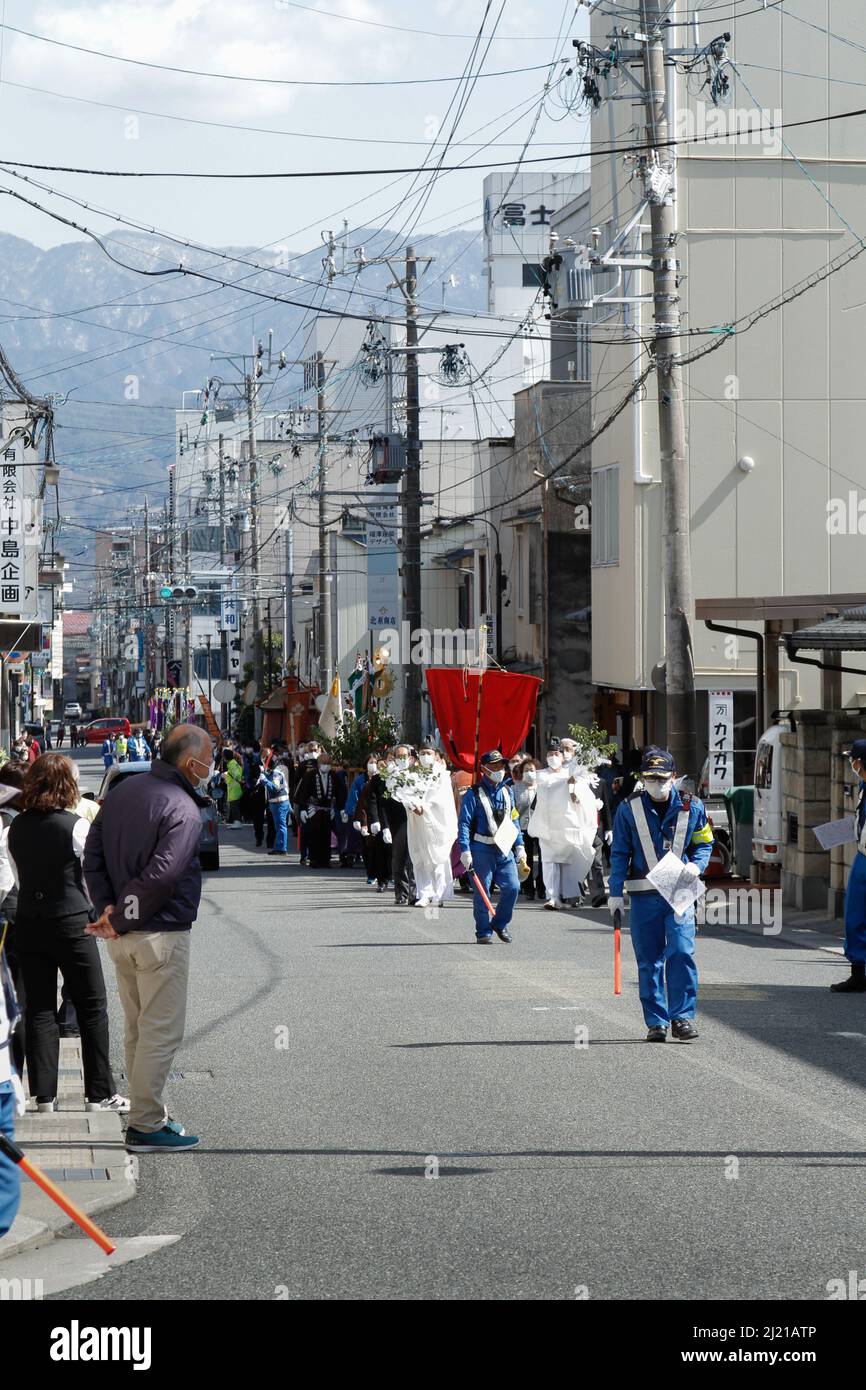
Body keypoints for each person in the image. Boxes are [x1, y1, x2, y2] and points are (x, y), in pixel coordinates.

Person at [83, 722, 214, 1153]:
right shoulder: (183, 808)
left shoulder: (123, 791)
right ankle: (145, 1123)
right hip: (159, 932)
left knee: (138, 1028)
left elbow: (93, 851)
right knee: (159, 1031)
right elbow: (162, 876)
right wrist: (120, 916)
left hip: (122, 936)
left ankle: (148, 1112)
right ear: (190, 761)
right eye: (208, 761)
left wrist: (107, 907)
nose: (210, 768)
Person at [7, 754, 127, 1114]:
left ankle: (44, 1097)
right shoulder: (76, 826)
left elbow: (17, 874)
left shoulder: (15, 827)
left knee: (39, 1008)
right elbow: (92, 877)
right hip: (73, 922)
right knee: (92, 1006)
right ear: (67, 786)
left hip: (29, 922)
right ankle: (98, 1094)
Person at [608, 746, 714, 1043]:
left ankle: (681, 1018)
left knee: (681, 952)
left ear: (674, 776)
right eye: (650, 777)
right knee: (649, 959)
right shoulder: (628, 809)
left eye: (662, 777)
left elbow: (704, 842)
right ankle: (656, 1022)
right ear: (643, 778)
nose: (657, 782)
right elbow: (619, 854)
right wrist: (615, 893)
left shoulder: (692, 807)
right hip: (643, 893)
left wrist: (698, 864)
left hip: (679, 886)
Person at [457, 750, 529, 944]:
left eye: (501, 765)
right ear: (484, 769)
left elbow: (513, 820)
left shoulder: (507, 791)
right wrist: (465, 850)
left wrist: (520, 846)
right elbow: (464, 823)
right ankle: (483, 931)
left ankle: (499, 922)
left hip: (504, 848)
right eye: (495, 766)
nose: (500, 769)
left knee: (513, 887)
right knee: (482, 894)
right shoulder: (473, 794)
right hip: (481, 849)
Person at [528, 744, 598, 910]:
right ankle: (552, 897)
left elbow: (581, 796)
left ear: (561, 757)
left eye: (556, 754)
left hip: (567, 823)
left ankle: (567, 896)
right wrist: (566, 780)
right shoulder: (542, 775)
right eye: (550, 754)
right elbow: (539, 783)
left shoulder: (571, 773)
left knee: (567, 861)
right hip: (547, 824)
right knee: (549, 861)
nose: (553, 757)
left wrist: (575, 787)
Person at [397, 742, 457, 908]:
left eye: (428, 753)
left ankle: (438, 894)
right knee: (420, 858)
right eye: (422, 753)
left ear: (435, 755)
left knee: (436, 859)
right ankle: (424, 893)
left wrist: (425, 808)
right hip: (417, 823)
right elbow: (405, 793)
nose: (425, 756)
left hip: (436, 822)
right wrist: (411, 805)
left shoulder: (442, 775)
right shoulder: (412, 774)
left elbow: (443, 800)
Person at [832, 738, 866, 992]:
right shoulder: (863, 785)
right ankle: (858, 972)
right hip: (863, 855)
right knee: (855, 916)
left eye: (852, 759)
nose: (851, 764)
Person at [383, 745, 417, 905]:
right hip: (397, 824)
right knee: (399, 860)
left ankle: (415, 893)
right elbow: (382, 803)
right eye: (399, 757)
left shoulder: (418, 776)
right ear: (395, 759)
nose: (402, 759)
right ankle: (401, 894)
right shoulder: (389, 777)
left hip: (415, 822)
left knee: (414, 860)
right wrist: (385, 826)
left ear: (410, 757)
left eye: (405, 756)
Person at [296, 748, 342, 868]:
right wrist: (302, 809)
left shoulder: (334, 776)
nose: (326, 766)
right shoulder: (309, 775)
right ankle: (314, 859)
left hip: (328, 809)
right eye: (324, 763)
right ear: (318, 764)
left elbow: (340, 793)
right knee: (313, 834)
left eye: (328, 763)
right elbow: (303, 793)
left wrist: (341, 808)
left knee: (326, 835)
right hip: (313, 809)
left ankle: (325, 859)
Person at [356, 757, 392, 892]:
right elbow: (368, 801)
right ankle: (381, 880)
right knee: (379, 851)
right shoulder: (374, 781)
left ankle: (394, 878)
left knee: (394, 852)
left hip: (394, 819)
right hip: (378, 819)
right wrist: (371, 821)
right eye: (380, 765)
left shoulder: (399, 778)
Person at [514, 759, 545, 900]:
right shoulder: (515, 789)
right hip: (522, 827)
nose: (529, 773)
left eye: (532, 770)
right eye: (526, 770)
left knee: (544, 858)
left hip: (540, 827)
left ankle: (542, 886)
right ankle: (528, 888)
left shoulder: (542, 788)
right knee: (526, 859)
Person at [260, 755, 291, 856]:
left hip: (279, 803)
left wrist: (264, 780)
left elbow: (275, 787)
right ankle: (279, 846)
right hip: (277, 803)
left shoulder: (276, 774)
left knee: (281, 826)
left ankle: (282, 848)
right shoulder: (273, 773)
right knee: (278, 826)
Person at [224, 750, 244, 825]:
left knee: (234, 807)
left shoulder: (232, 764)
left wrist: (227, 776)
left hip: (234, 790)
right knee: (234, 806)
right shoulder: (232, 763)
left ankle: (237, 822)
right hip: (234, 789)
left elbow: (237, 775)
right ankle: (235, 822)